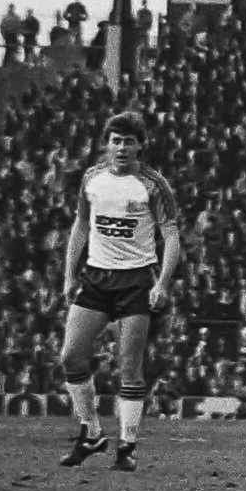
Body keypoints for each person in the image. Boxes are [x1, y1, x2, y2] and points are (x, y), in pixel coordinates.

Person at [58, 111, 181, 471]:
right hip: (96, 278)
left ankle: (127, 447)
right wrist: (69, 275)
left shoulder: (153, 185)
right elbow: (81, 225)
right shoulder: (92, 178)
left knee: (129, 366)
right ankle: (92, 432)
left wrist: (162, 283)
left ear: (140, 145)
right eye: (116, 140)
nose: (122, 147)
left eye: (129, 141)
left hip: (135, 282)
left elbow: (171, 236)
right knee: (71, 357)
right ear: (107, 144)